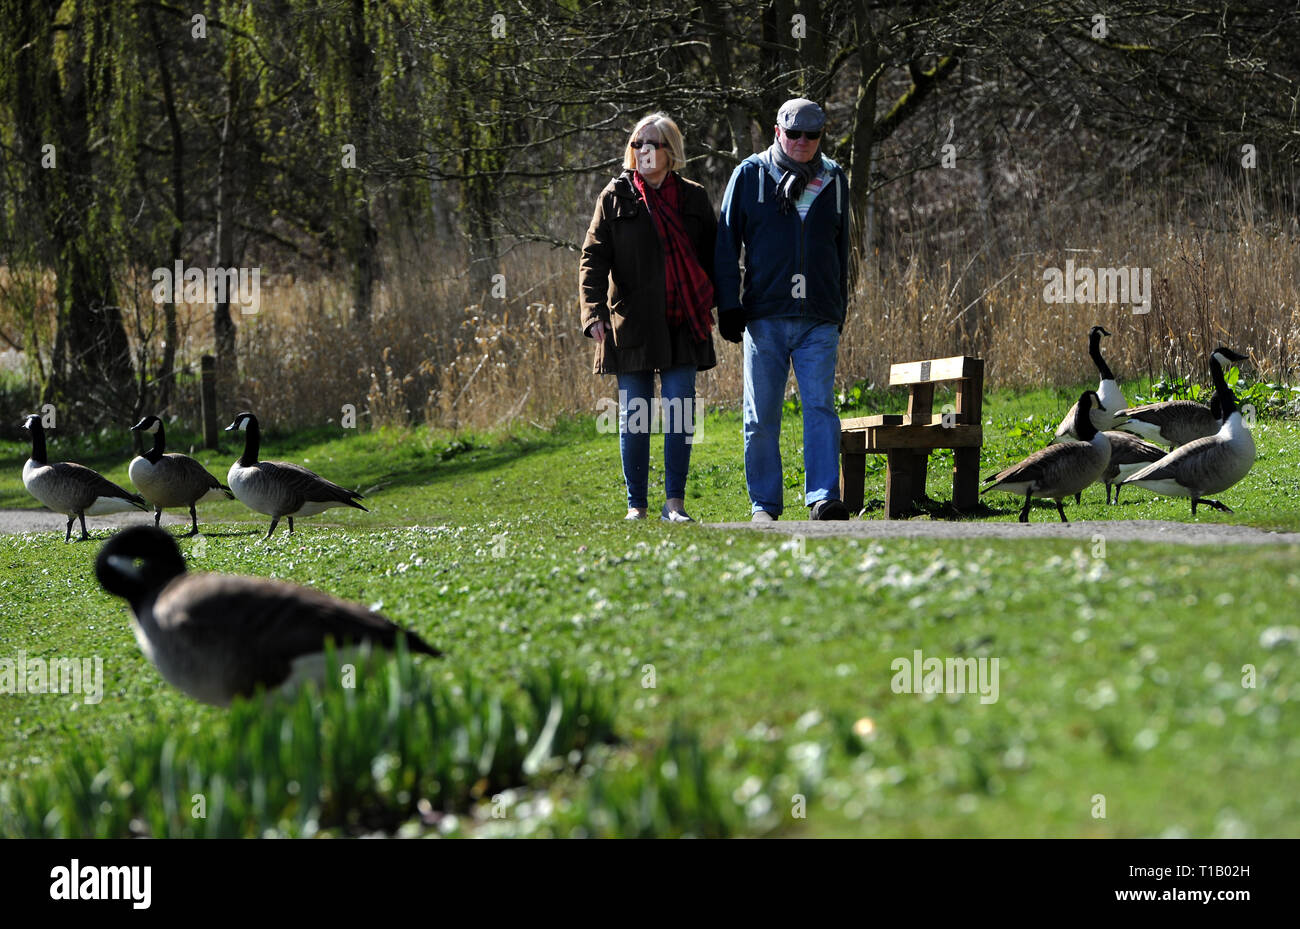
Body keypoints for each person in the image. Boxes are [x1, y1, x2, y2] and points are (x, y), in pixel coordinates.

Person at [714, 97, 851, 521]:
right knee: (761, 417)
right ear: (778, 131)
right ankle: (765, 505)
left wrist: (838, 307)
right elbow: (724, 245)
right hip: (764, 316)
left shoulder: (834, 178)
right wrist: (729, 305)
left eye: (812, 135)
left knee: (820, 408)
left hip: (818, 319)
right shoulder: (750, 174)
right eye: (793, 133)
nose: (802, 142)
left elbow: (842, 249)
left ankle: (823, 497)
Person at [579, 113, 718, 522]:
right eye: (637, 143)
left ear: (669, 151)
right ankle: (636, 506)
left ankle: (674, 503)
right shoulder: (614, 196)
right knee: (635, 416)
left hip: (682, 322)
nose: (642, 151)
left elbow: (715, 257)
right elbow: (592, 258)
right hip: (631, 324)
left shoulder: (693, 198)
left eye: (651, 144)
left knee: (678, 409)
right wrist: (593, 312)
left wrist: (719, 304)